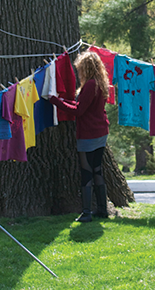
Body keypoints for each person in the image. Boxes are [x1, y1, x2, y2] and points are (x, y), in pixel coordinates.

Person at [49, 51, 111, 222]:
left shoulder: (90, 85)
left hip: (89, 133)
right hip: (100, 131)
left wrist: (55, 101)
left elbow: (78, 111)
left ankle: (87, 212)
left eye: (80, 68)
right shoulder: (100, 83)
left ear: (86, 68)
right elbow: (81, 105)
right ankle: (102, 209)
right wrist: (63, 101)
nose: (79, 72)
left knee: (87, 171)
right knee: (97, 169)